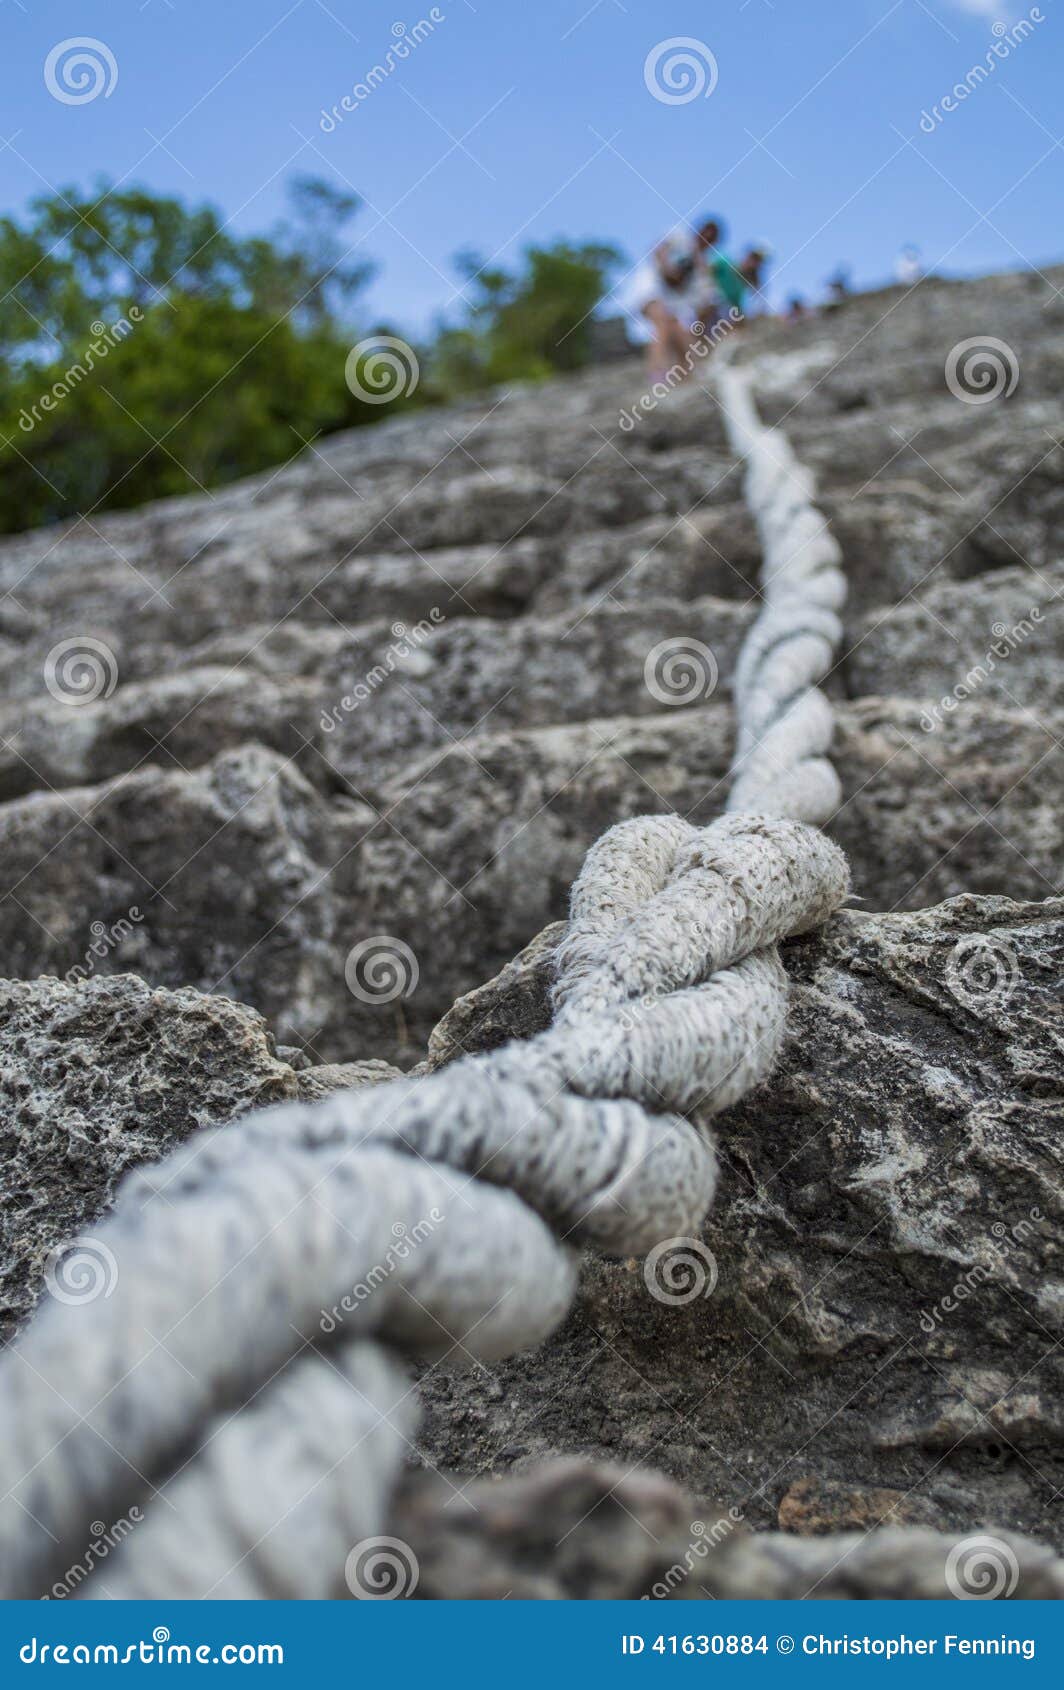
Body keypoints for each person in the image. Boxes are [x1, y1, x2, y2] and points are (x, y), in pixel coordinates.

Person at [625, 215, 725, 381]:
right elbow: (659, 250)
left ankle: (684, 377)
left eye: (711, 238)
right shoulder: (679, 237)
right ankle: (657, 373)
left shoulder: (702, 270)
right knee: (662, 324)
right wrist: (669, 271)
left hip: (671, 303)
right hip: (649, 290)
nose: (706, 239)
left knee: (682, 334)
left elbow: (703, 300)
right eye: (705, 234)